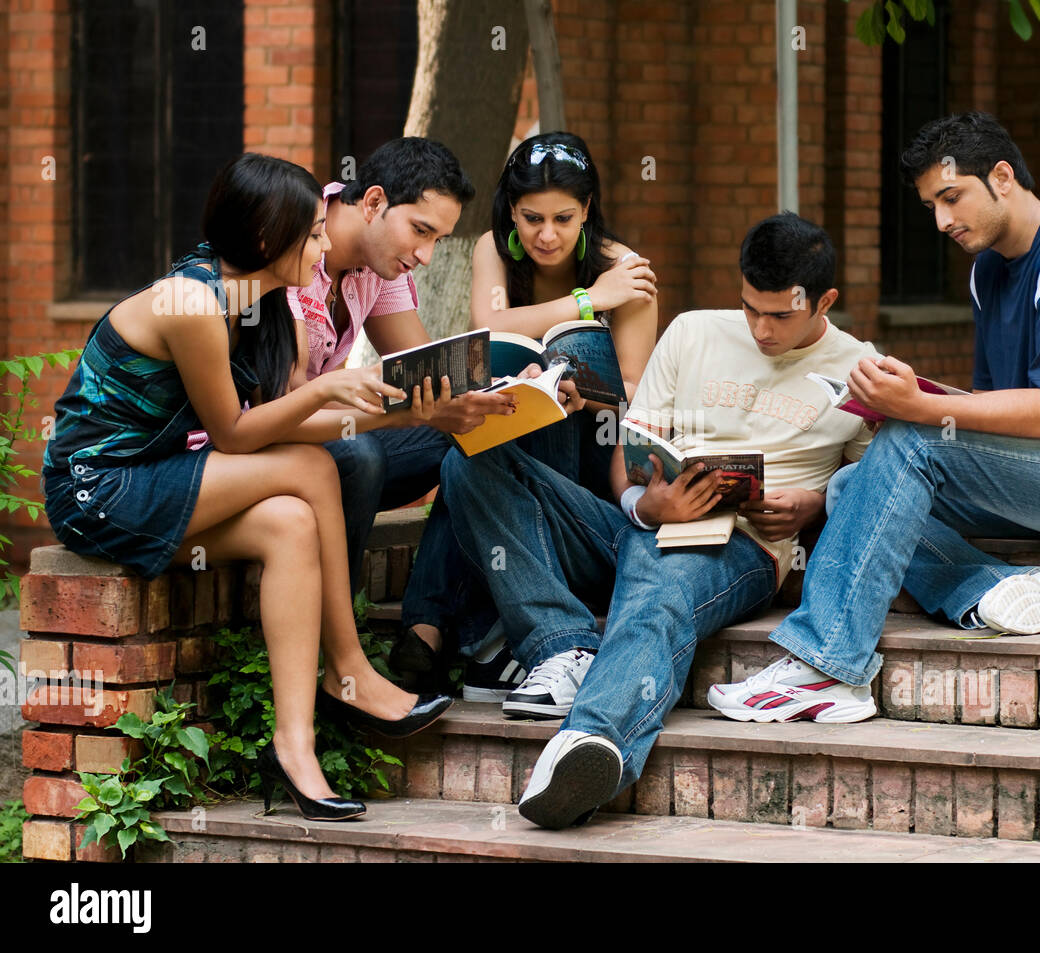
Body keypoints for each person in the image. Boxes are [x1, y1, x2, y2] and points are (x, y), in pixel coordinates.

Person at [708, 112, 1040, 723]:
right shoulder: (989, 271)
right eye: (931, 206)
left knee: (916, 441)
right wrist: (903, 405)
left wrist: (920, 407)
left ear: (1002, 176)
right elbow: (995, 409)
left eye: (951, 197)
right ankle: (997, 587)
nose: (942, 220)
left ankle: (828, 665)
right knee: (851, 484)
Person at [42, 153, 453, 822]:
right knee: (314, 470)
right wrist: (326, 388)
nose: (324, 247)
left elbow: (272, 427)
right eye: (314, 234)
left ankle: (294, 745)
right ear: (268, 240)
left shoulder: (256, 303)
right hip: (98, 484)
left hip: (152, 475)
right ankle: (347, 669)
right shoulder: (193, 301)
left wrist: (391, 406)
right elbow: (233, 434)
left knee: (291, 521)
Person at [437, 212, 880, 828]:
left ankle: (593, 742)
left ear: (824, 300)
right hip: (643, 524)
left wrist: (815, 503)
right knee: (471, 465)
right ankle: (564, 643)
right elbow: (630, 459)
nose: (761, 328)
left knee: (662, 578)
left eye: (780, 315)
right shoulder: (692, 333)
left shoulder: (860, 370)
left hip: (741, 548)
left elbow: (868, 497)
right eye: (751, 308)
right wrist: (646, 507)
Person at [393, 131, 658, 707]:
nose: (546, 235)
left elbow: (636, 401)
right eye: (532, 217)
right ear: (512, 210)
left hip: (587, 497)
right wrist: (589, 300)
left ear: (587, 209)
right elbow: (491, 327)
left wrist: (585, 391)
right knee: (465, 452)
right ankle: (438, 635)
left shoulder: (626, 273)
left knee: (577, 351)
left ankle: (439, 630)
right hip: (504, 463)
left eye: (564, 218)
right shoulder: (495, 248)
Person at [285, 136, 516, 597]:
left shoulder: (379, 265)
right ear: (374, 202)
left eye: (437, 239)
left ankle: (431, 622)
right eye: (421, 230)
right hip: (257, 438)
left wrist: (513, 387)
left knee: (477, 431)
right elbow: (286, 408)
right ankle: (338, 630)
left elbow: (433, 377)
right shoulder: (295, 240)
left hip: (321, 435)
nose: (425, 256)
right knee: (358, 457)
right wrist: (413, 411)